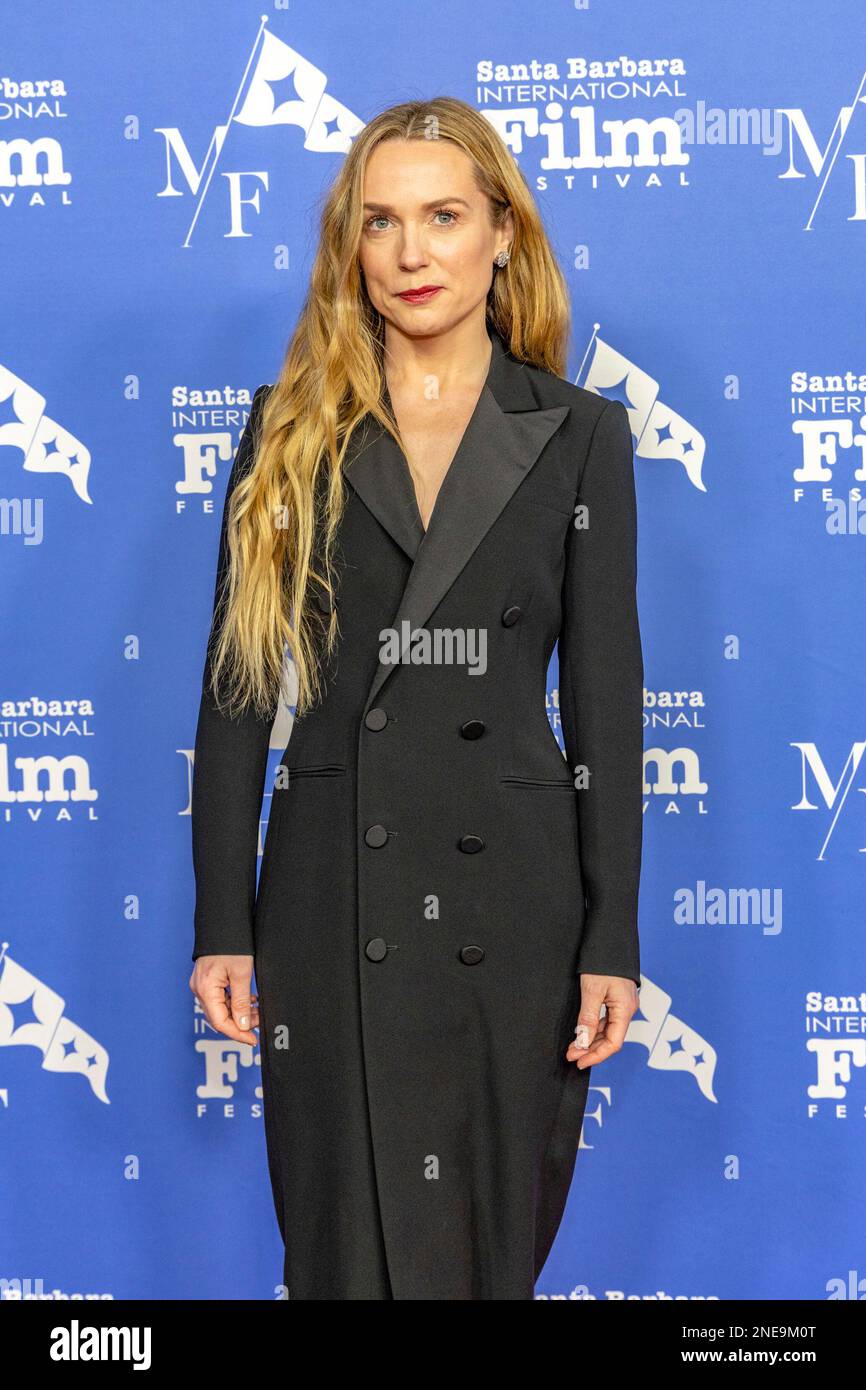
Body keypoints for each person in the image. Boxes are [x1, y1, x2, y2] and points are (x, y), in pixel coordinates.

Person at [189, 95, 644, 1301]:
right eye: (379, 222)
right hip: (331, 886)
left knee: (488, 1252)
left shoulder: (579, 434)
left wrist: (611, 935)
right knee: (338, 1251)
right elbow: (237, 692)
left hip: (515, 896)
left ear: (500, 232)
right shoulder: (289, 429)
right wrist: (222, 923)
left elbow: (606, 701)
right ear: (351, 248)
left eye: (442, 216)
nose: (409, 253)